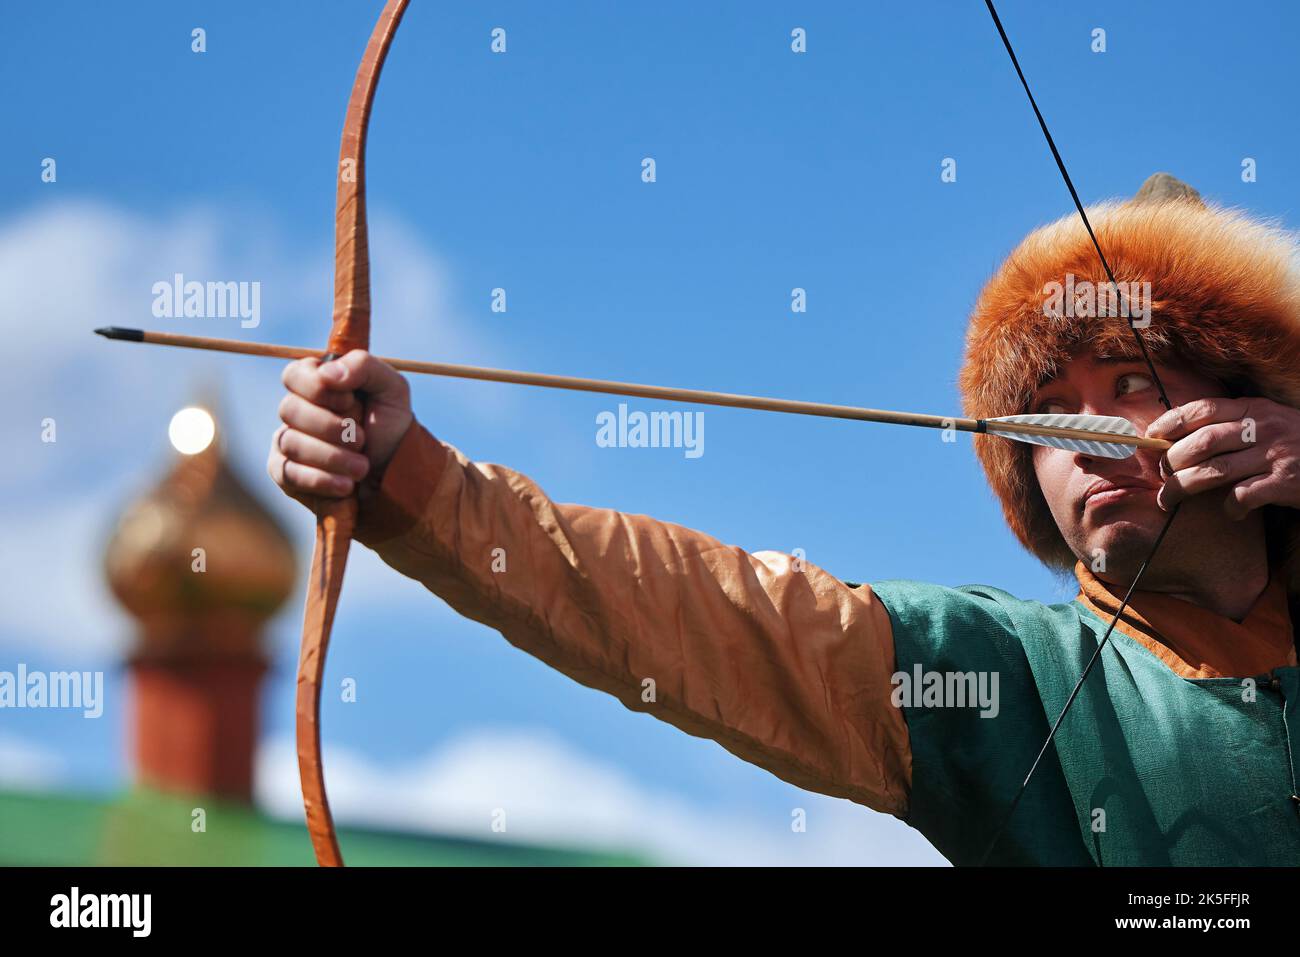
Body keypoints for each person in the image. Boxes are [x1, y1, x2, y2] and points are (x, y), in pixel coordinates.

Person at [269, 174, 1300, 865]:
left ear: (1253, 405)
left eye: (1127, 382)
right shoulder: (1001, 678)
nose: (1080, 438)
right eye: (1042, 413)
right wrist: (409, 479)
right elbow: (710, 613)